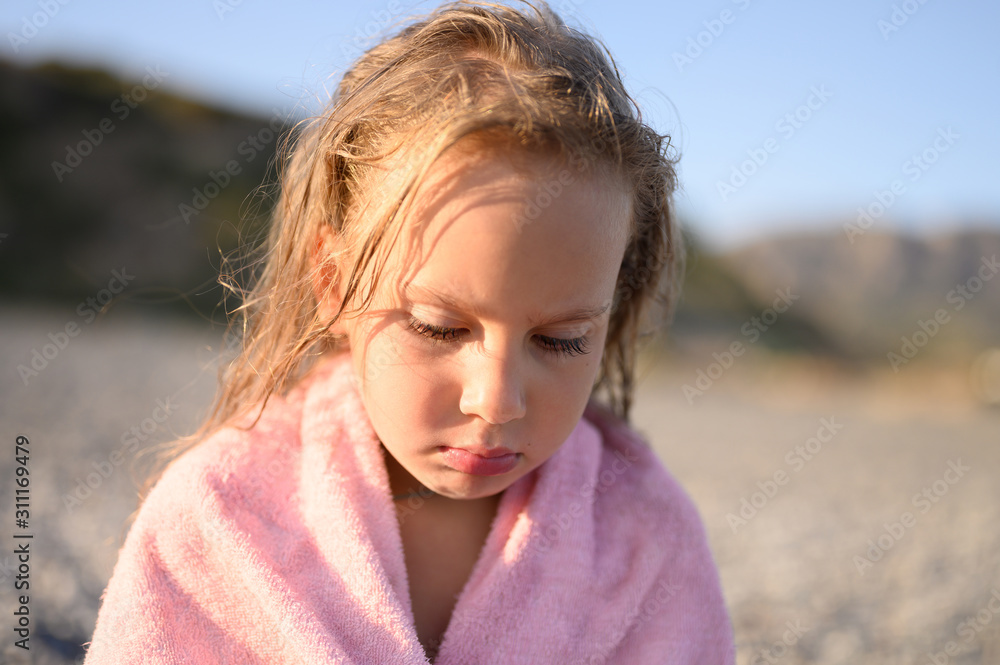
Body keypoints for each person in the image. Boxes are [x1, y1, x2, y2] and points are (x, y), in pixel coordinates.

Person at [83, 1, 734, 663]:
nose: (497, 399)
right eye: (440, 327)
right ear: (333, 281)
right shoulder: (219, 518)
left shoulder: (646, 539)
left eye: (562, 338)